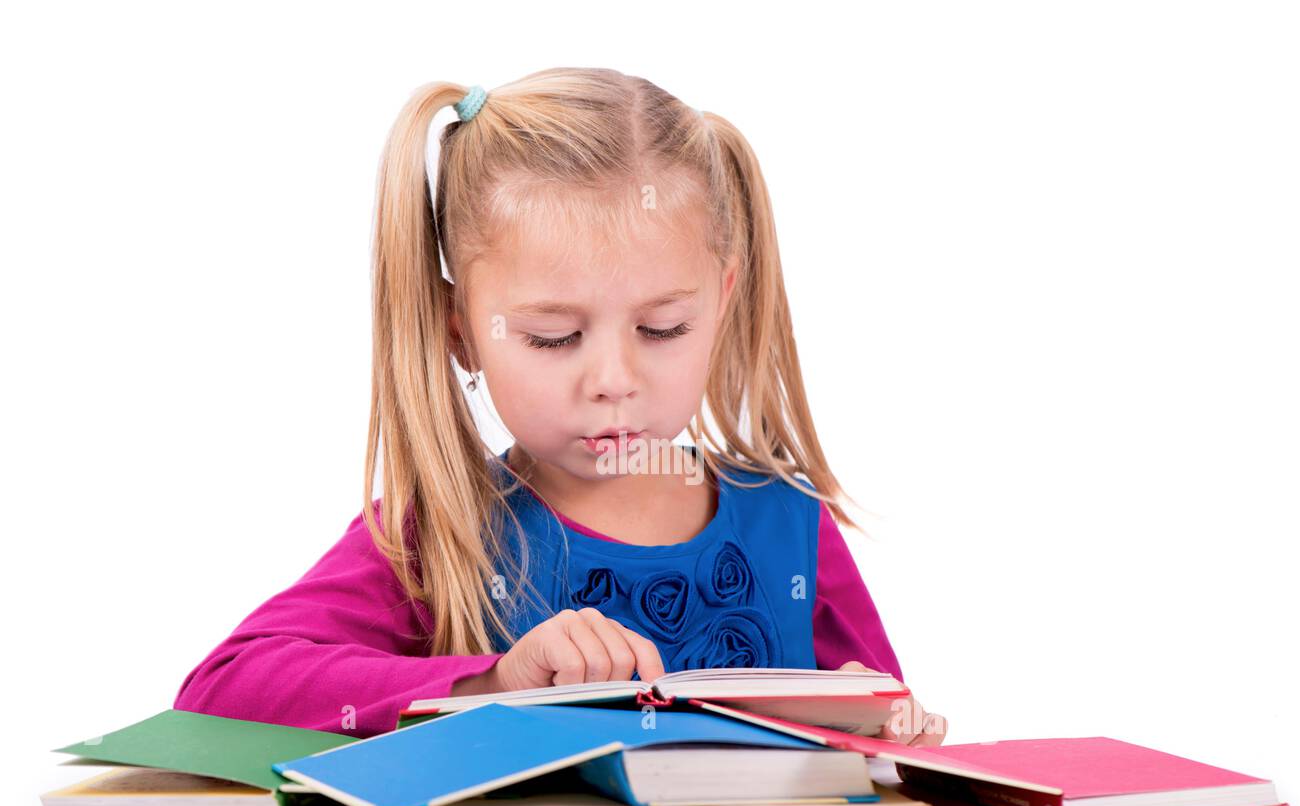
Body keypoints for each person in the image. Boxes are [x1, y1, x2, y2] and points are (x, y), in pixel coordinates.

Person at [173, 69, 948, 746]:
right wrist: (492, 684)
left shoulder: (793, 530)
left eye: (662, 328)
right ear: (464, 335)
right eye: (552, 338)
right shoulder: (440, 533)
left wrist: (890, 723)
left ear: (723, 301)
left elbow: (895, 733)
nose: (613, 379)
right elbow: (222, 688)